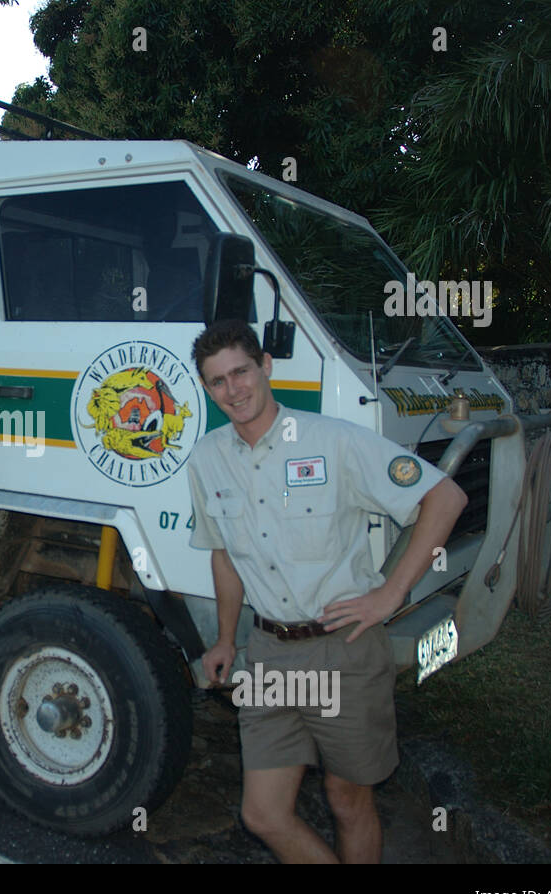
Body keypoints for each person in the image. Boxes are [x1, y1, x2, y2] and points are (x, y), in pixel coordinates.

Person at [186, 319, 468, 863]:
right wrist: (226, 640)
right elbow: (224, 553)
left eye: (241, 371)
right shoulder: (206, 459)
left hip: (343, 647)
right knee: (262, 814)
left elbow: (446, 498)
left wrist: (391, 596)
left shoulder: (333, 440)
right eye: (217, 381)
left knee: (346, 799)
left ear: (265, 367)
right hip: (267, 653)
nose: (233, 389)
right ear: (207, 388)